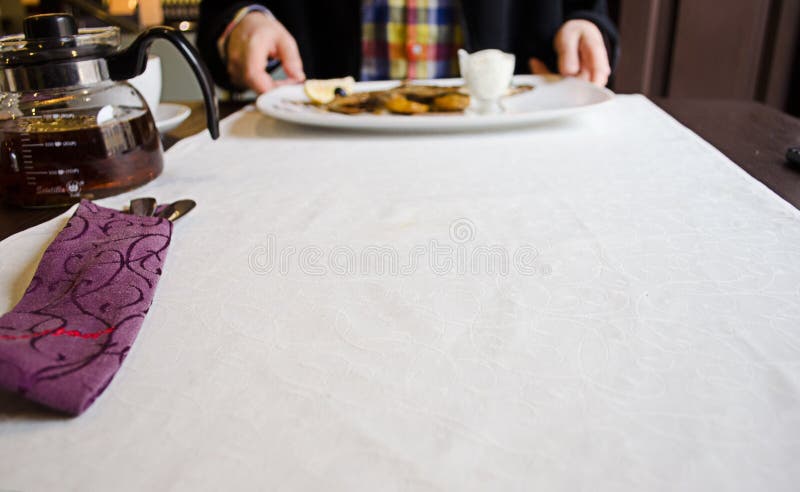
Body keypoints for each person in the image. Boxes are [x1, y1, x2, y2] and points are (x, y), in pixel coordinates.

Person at [197, 1, 618, 94]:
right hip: (320, 151)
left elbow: (585, 8)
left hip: (499, 153)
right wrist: (243, 20)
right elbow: (225, 7)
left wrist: (584, 22)